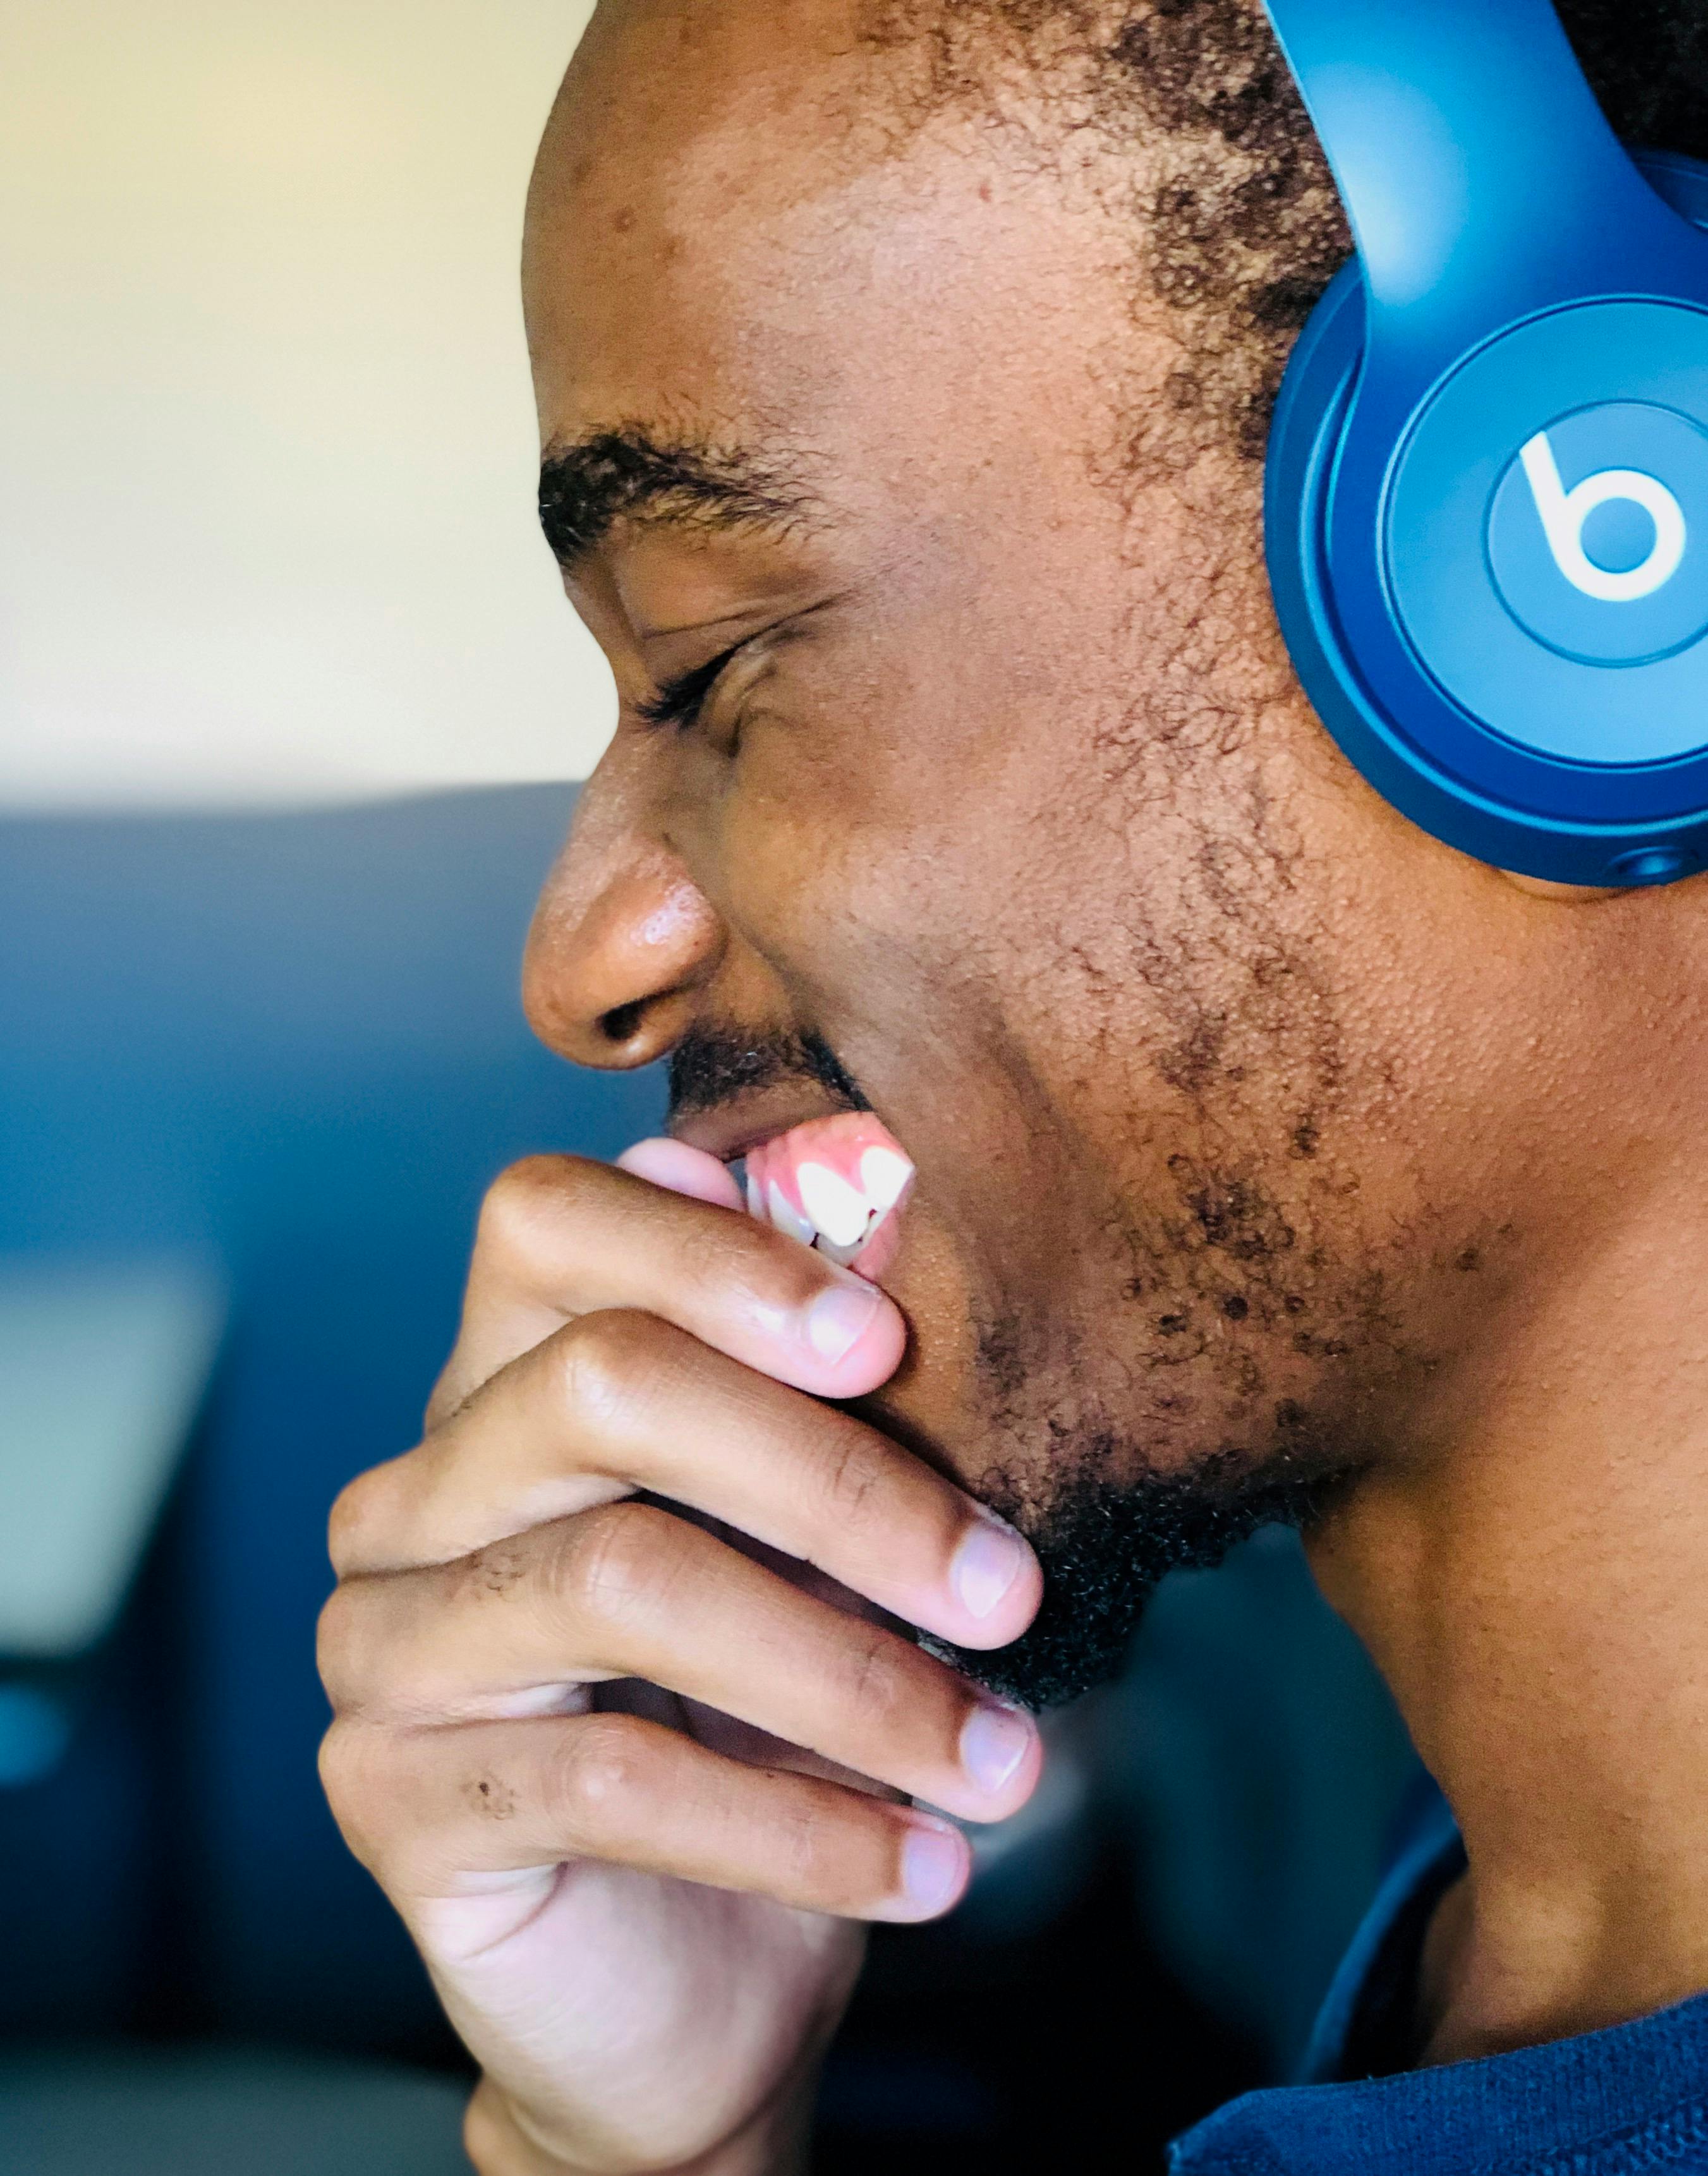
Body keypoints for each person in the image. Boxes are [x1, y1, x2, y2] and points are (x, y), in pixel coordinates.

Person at [313, 3, 1708, 2170]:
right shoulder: (1484, 1958)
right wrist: (645, 2151)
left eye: (709, 661)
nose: (585, 954)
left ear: (1598, 555)